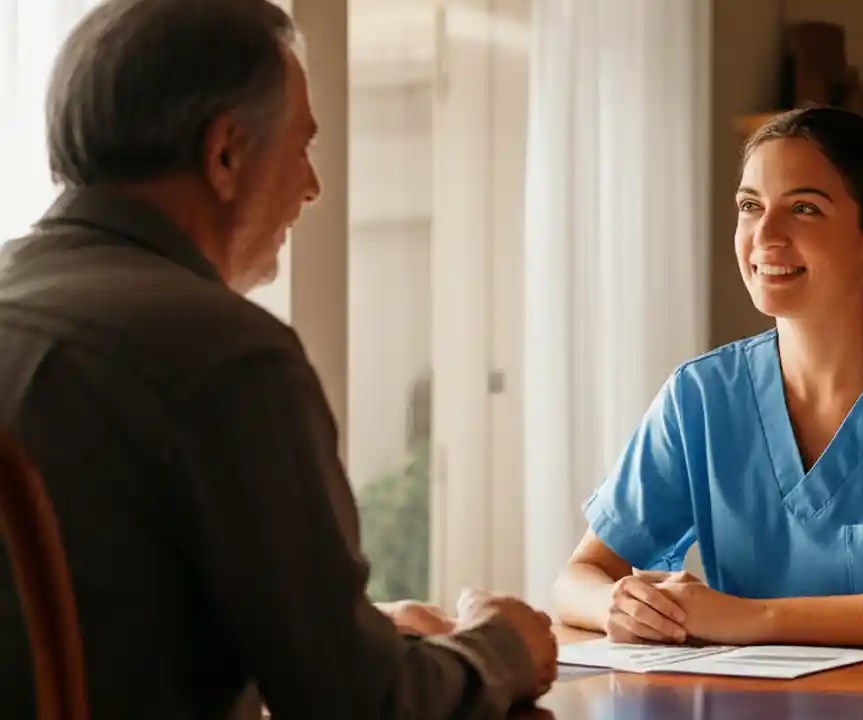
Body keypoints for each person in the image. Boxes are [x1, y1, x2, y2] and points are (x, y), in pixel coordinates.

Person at [0, 1, 554, 717]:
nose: (312, 186)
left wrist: (346, 632)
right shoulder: (228, 360)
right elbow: (364, 705)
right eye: (302, 147)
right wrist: (500, 643)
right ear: (227, 154)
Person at [552, 107, 863, 647]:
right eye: (750, 206)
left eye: (803, 209)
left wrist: (751, 619)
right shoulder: (699, 396)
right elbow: (576, 579)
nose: (765, 234)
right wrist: (622, 605)